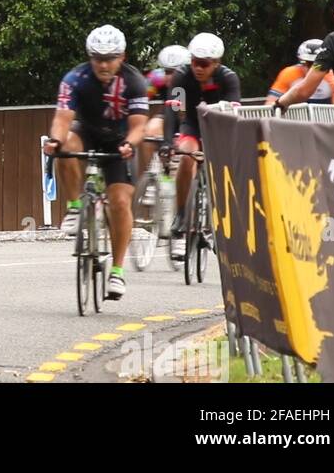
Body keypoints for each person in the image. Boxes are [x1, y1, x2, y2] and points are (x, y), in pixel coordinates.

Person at [43, 25, 148, 300]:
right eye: (97, 58)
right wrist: (54, 140)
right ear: (89, 57)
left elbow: (139, 126)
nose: (103, 64)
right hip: (87, 132)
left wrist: (130, 144)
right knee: (65, 146)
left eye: (110, 58)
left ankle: (117, 270)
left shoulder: (134, 81)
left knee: (121, 202)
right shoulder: (75, 78)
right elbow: (62, 119)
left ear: (122, 57)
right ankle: (75, 207)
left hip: (120, 140)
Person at [163, 33, 241, 256]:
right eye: (194, 62)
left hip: (219, 127)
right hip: (192, 125)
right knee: (186, 157)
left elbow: (234, 117)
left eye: (204, 64)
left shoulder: (228, 79)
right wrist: (168, 142)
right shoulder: (181, 76)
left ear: (216, 63)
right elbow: (172, 111)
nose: (197, 68)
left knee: (223, 173)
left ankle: (223, 227)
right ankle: (181, 215)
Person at [141, 44, 191, 166]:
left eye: (176, 72)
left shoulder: (195, 79)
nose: (171, 77)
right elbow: (140, 101)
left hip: (190, 118)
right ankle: (145, 177)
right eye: (167, 71)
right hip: (168, 115)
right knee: (149, 131)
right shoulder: (155, 78)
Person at [264, 40, 334, 106]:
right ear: (299, 60)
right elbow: (270, 104)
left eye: (316, 64)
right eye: (305, 62)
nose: (310, 68)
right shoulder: (289, 74)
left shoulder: (332, 76)